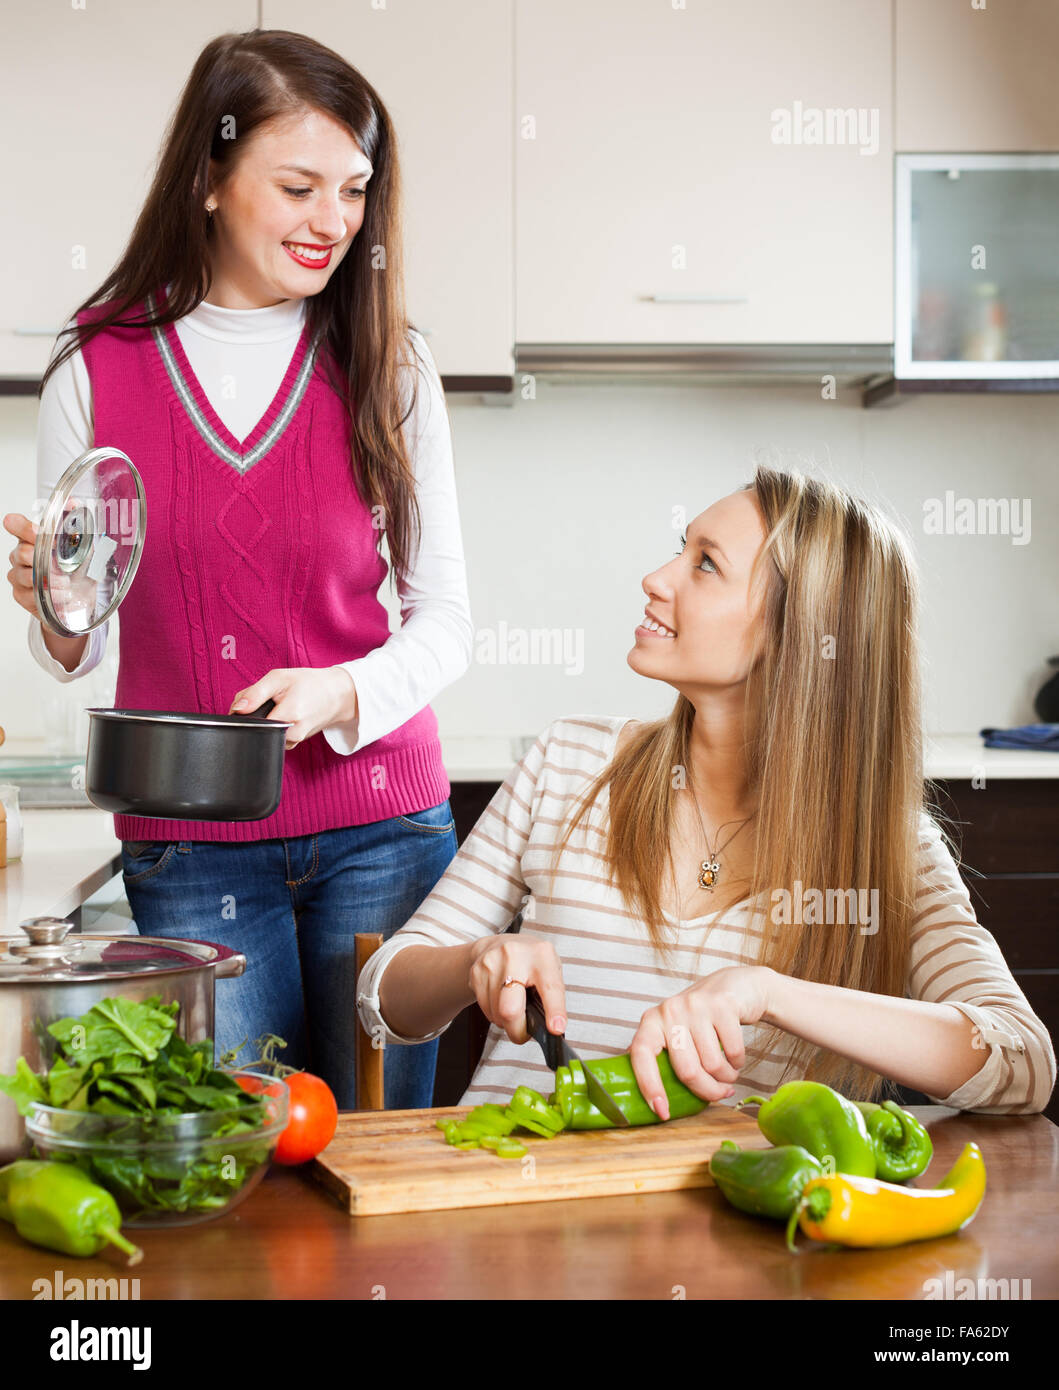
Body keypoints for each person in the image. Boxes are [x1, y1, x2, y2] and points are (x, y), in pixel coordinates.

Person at [2, 30, 473, 1112]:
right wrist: (56, 609)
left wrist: (340, 689)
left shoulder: (391, 363)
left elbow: (447, 623)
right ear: (210, 178)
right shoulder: (96, 363)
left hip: (382, 830)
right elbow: (82, 647)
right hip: (194, 844)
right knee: (235, 1153)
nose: (334, 222)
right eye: (300, 186)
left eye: (354, 190)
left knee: (375, 1147)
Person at [356, 468, 1055, 1117]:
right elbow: (383, 1000)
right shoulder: (569, 762)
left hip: (717, 1239)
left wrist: (766, 993)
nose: (655, 579)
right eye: (678, 550)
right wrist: (472, 961)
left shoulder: (887, 850)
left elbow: (1022, 1062)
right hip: (503, 1208)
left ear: (798, 636)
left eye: (705, 565)